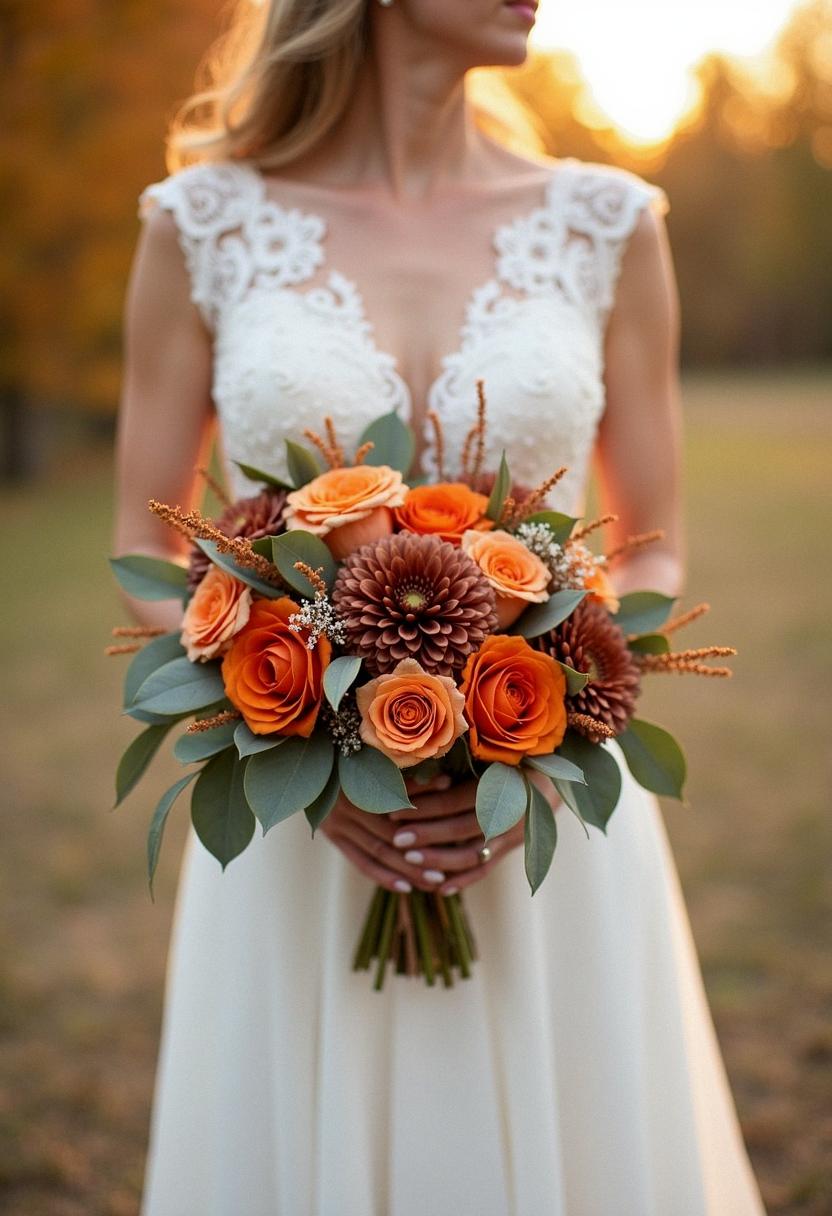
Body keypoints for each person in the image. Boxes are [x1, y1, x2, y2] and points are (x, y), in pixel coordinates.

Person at [113, 1, 766, 1212]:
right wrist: (300, 749)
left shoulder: (608, 222)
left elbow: (655, 556)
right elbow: (144, 551)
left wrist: (549, 736)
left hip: (538, 823)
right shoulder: (199, 223)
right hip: (301, 841)